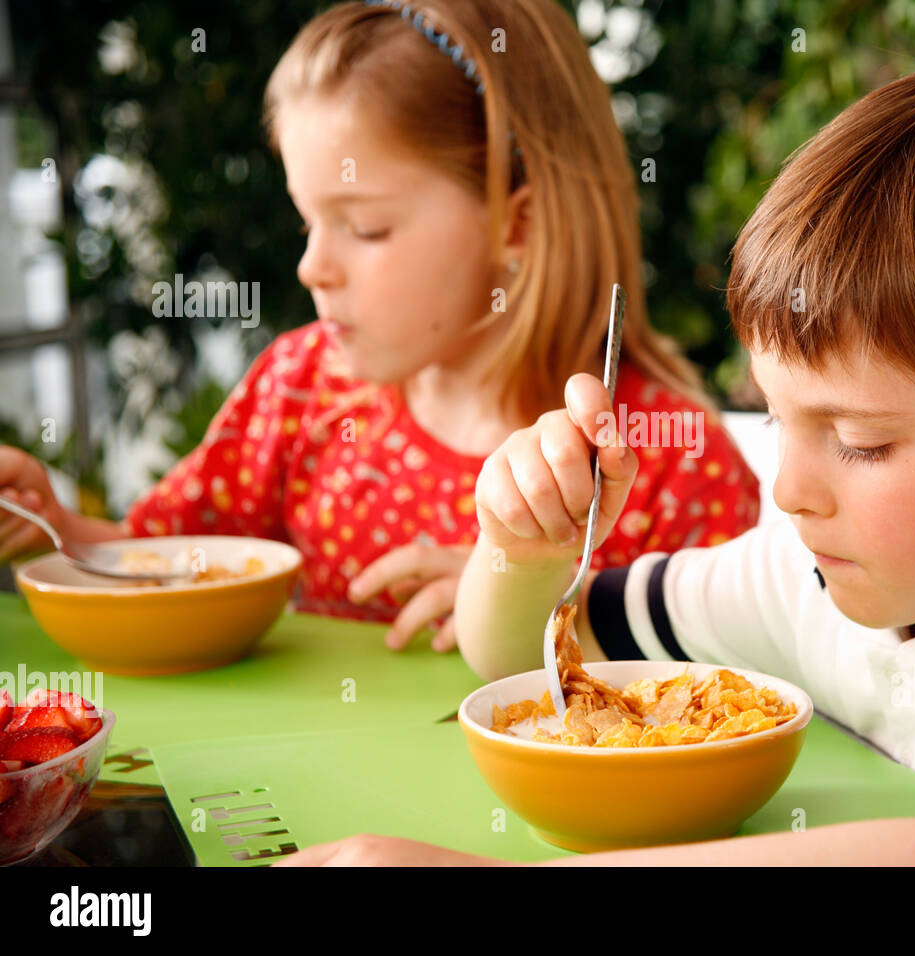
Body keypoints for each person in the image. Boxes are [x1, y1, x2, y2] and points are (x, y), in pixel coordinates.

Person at [279, 58, 915, 865]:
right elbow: (524, 658)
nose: (787, 488)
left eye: (858, 441)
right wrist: (526, 547)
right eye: (777, 419)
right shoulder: (814, 575)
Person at [0, 0, 760, 651]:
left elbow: (749, 675)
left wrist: (526, 594)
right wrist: (54, 525)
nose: (311, 266)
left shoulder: (664, 459)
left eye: (363, 227)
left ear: (517, 224)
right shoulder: (298, 389)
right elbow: (170, 563)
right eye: (307, 222)